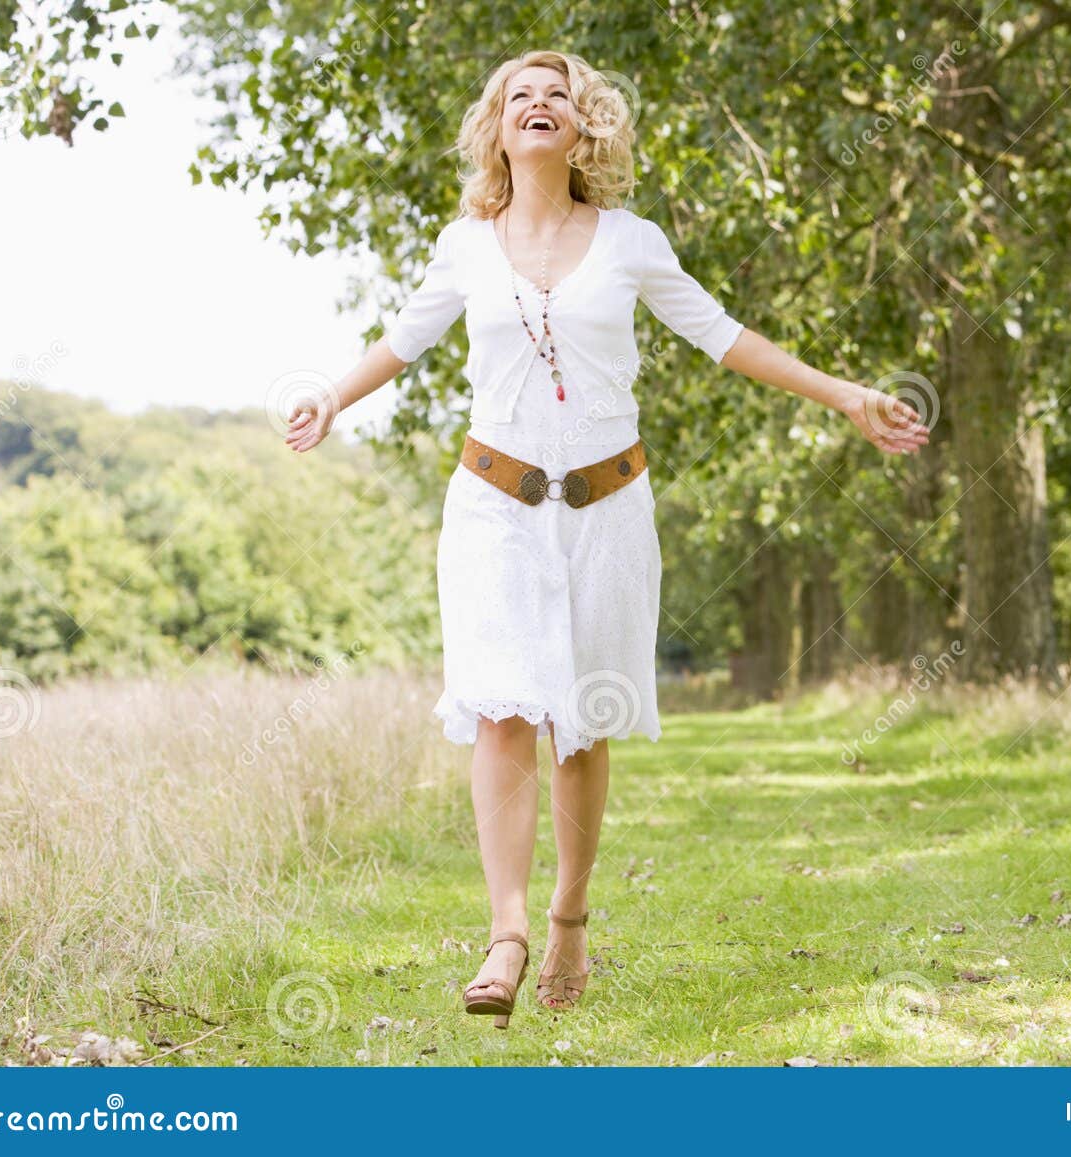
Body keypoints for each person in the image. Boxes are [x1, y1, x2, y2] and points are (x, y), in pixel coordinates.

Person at [285, 49, 928, 1028]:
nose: (539, 104)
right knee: (502, 711)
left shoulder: (630, 241)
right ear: (499, 128)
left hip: (607, 510)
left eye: (559, 95)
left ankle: (569, 917)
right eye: (520, 95)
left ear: (584, 126)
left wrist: (844, 395)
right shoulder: (465, 247)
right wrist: (331, 396)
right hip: (493, 508)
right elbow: (402, 341)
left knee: (582, 722)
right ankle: (505, 934)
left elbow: (724, 336)